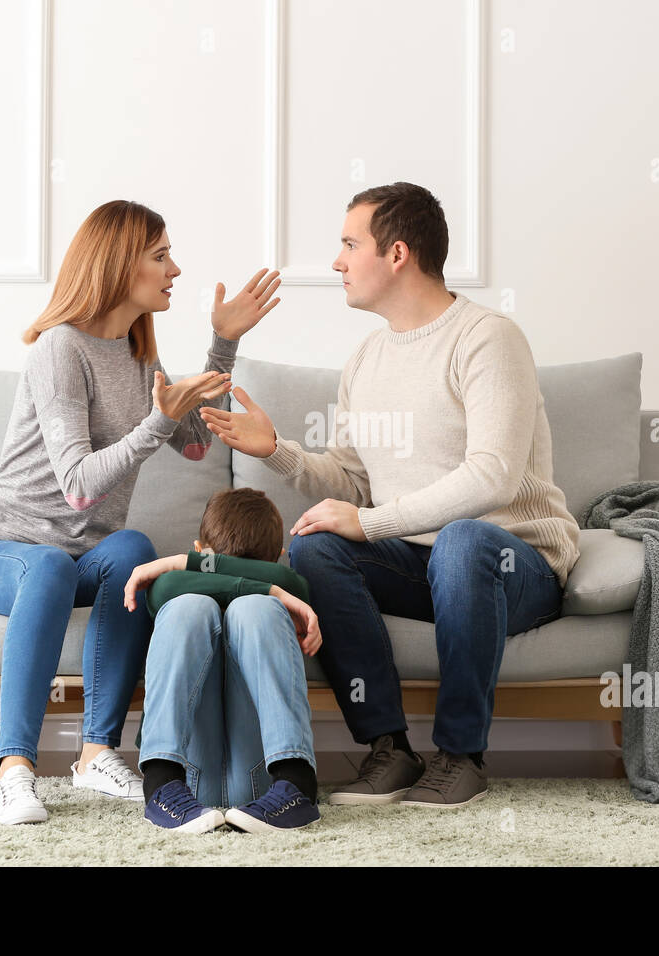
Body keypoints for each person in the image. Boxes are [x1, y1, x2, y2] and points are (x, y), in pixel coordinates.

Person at [199, 182, 581, 809]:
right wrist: (279, 452)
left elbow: (494, 477)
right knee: (317, 547)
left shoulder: (488, 338)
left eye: (350, 244)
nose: (338, 262)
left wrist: (372, 523)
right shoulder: (367, 357)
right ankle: (388, 749)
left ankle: (461, 756)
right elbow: (352, 481)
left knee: (461, 541)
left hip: (513, 564)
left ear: (397, 252)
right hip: (423, 564)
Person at [0, 199, 281, 825]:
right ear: (116, 265)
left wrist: (224, 343)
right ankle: (15, 770)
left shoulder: (137, 353)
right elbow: (77, 485)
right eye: (160, 256)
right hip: (3, 552)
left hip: (85, 557)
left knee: (133, 551)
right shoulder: (60, 349)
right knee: (48, 565)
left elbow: (191, 440)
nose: (175, 269)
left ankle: (95, 755)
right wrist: (158, 420)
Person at [123, 488, 322, 833]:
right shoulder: (275, 586)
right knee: (189, 606)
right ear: (279, 555)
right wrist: (269, 588)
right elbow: (163, 590)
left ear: (198, 551)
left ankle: (297, 783)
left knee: (255, 608)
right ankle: (160, 781)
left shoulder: (289, 587)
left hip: (267, 778)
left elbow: (287, 583)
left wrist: (178, 561)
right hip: (185, 773)